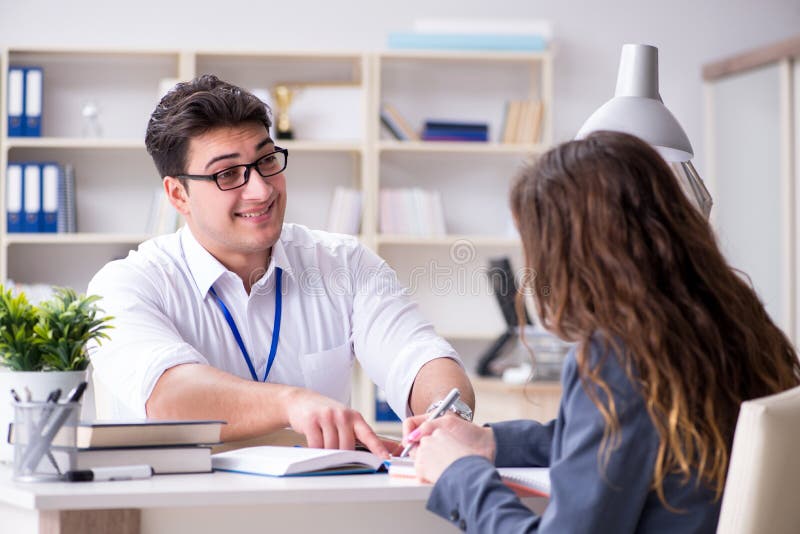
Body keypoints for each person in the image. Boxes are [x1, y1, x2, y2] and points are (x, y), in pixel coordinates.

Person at [402, 131, 800, 532]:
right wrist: (491, 443)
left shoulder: (616, 357)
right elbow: (612, 440)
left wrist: (460, 473)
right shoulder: (736, 321)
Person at [86, 74, 474, 457]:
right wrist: (292, 403)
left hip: (316, 509)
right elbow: (171, 397)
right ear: (178, 195)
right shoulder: (126, 285)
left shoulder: (342, 263)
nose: (262, 189)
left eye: (266, 160)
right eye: (227, 174)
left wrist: (448, 415)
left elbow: (419, 354)